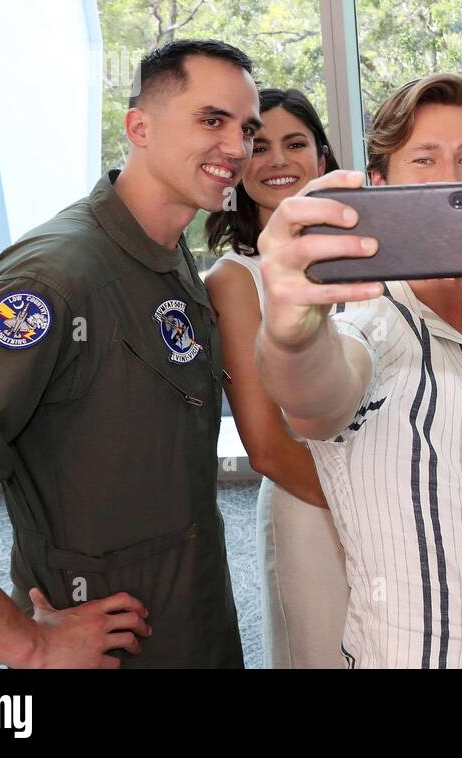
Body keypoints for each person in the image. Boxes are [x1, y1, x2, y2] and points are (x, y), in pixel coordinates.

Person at [0, 39, 259, 667]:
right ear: (138, 125)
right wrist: (28, 645)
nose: (237, 147)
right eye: (211, 120)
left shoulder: (167, 255)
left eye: (246, 128)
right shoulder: (55, 278)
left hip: (191, 621)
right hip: (107, 645)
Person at [254, 73, 462, 668]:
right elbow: (320, 397)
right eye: (424, 159)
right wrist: (291, 336)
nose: (451, 174)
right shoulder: (367, 318)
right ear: (379, 184)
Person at [204, 88, 349, 669]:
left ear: (322, 157)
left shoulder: (369, 254)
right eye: (258, 147)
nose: (279, 161)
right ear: (238, 167)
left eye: (296, 143)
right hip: (310, 504)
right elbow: (264, 446)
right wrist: (361, 511)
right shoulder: (234, 279)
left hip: (389, 484)